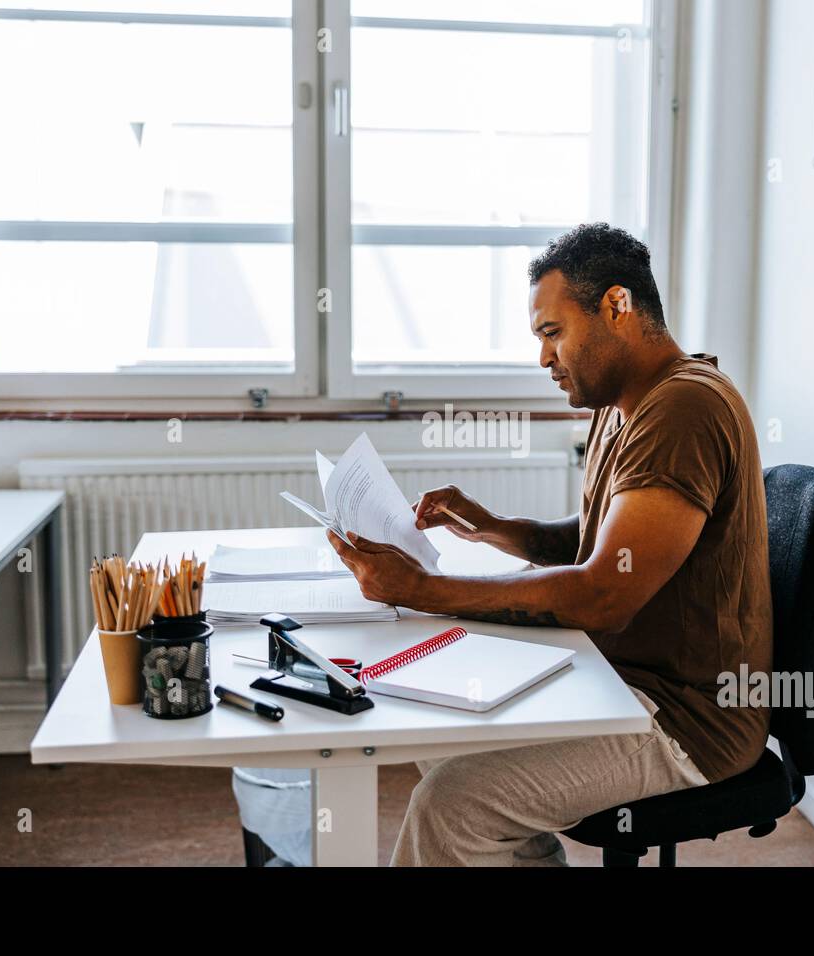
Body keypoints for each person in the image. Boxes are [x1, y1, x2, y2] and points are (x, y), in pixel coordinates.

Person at [328, 222, 773, 866]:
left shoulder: (683, 411)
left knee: (452, 805)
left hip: (685, 719)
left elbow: (604, 597)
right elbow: (599, 543)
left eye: (552, 332)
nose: (543, 358)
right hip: (622, 678)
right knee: (439, 734)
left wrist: (424, 591)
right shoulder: (625, 403)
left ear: (616, 307)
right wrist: (497, 528)